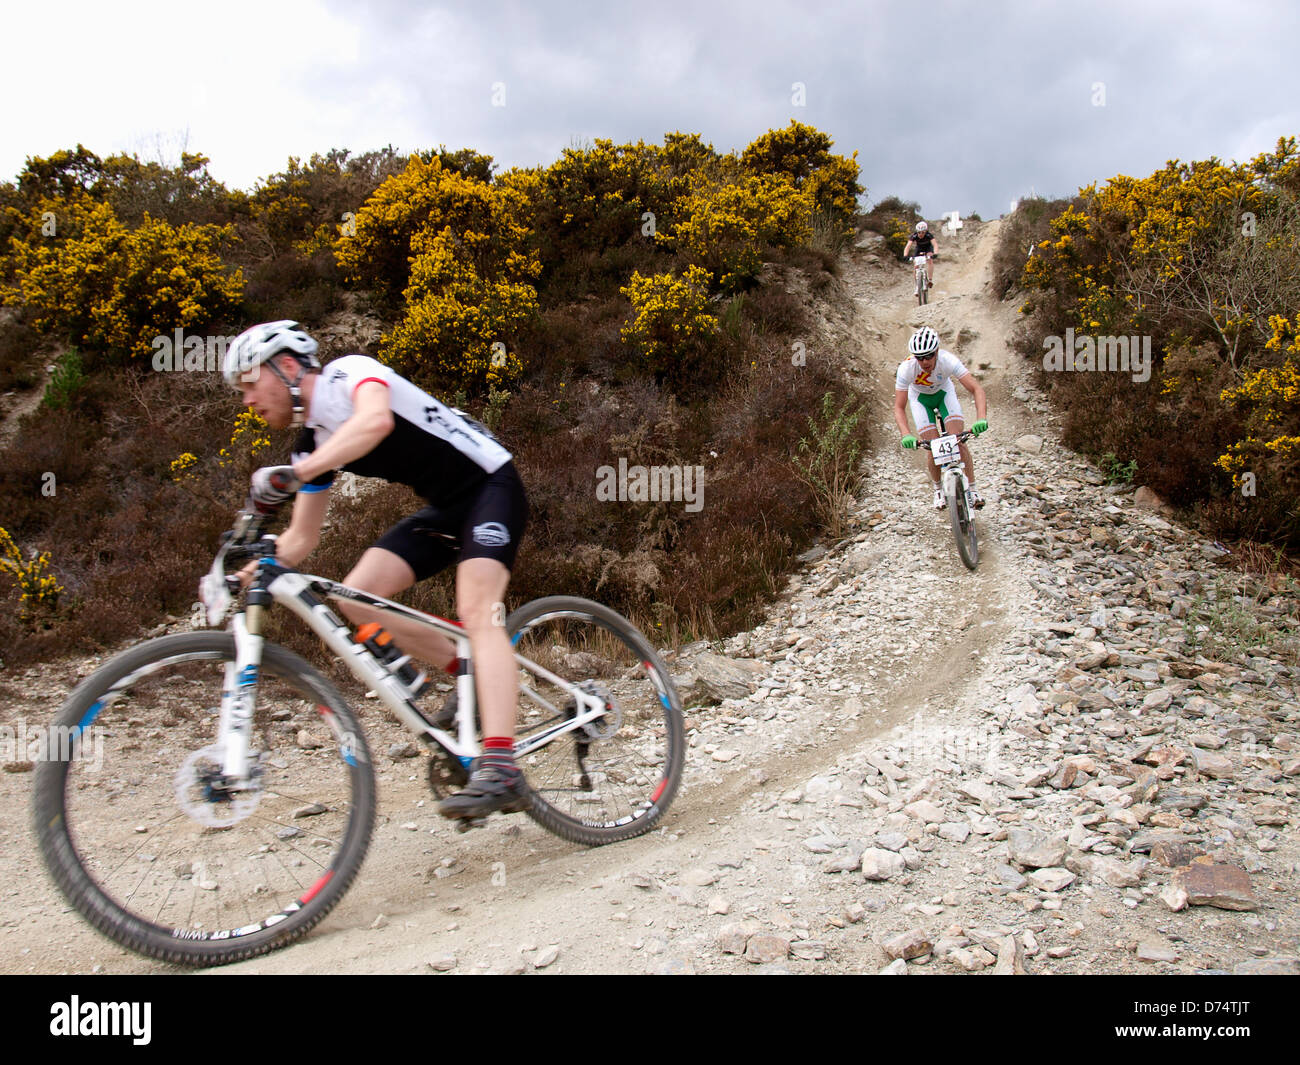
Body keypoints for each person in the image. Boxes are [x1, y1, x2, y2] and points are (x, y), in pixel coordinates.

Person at [222, 320, 529, 820]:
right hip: (448, 509)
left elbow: (375, 423)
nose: (246, 400)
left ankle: (502, 764)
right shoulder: (311, 445)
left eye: (250, 383)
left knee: (477, 610)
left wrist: (293, 475)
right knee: (355, 596)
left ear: (289, 365)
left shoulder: (350, 374)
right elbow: (301, 540)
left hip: (492, 489)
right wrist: (252, 570)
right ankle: (467, 676)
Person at [894, 326, 988, 510]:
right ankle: (938, 489)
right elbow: (899, 407)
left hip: (944, 394)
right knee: (933, 446)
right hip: (920, 400)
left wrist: (981, 418)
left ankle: (973, 489)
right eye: (919, 357)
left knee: (958, 441)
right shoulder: (906, 369)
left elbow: (976, 389)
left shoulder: (948, 361)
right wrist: (906, 434)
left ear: (937, 351)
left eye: (929, 356)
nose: (925, 361)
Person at [902, 220, 936, 287]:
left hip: (928, 248)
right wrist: (905, 255)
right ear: (917, 232)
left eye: (923, 232)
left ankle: (930, 280)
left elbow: (935, 244)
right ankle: (917, 285)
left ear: (925, 231)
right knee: (916, 266)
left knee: (930, 260)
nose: (921, 234)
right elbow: (908, 246)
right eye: (919, 232)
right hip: (919, 248)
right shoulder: (914, 236)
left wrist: (935, 253)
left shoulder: (929, 235)